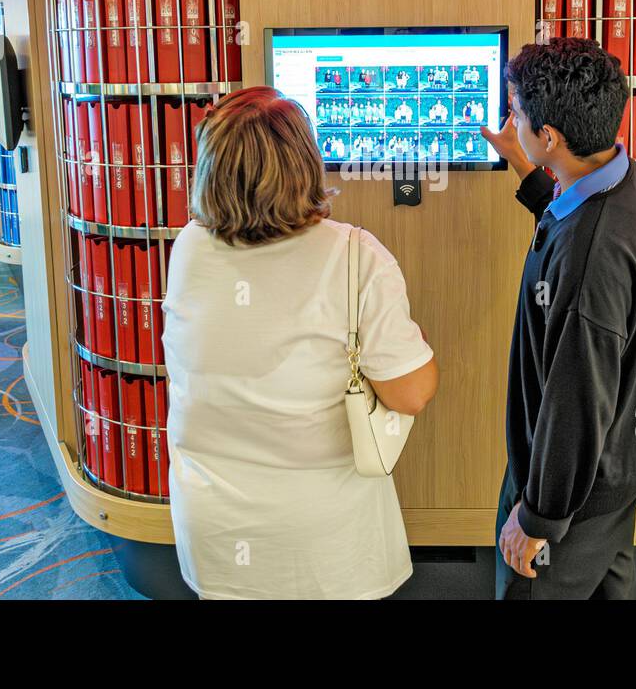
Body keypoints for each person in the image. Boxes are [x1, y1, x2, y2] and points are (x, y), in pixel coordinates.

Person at [160, 86, 439, 599]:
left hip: (215, 523)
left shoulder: (188, 250)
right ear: (305, 164)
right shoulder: (356, 257)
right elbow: (410, 393)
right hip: (321, 535)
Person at [479, 36, 636, 600]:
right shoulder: (629, 182)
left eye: (516, 113)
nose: (510, 121)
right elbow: (574, 225)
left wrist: (538, 517)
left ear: (551, 136)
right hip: (616, 472)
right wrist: (524, 166)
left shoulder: (592, 256)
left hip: (568, 495)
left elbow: (577, 397)